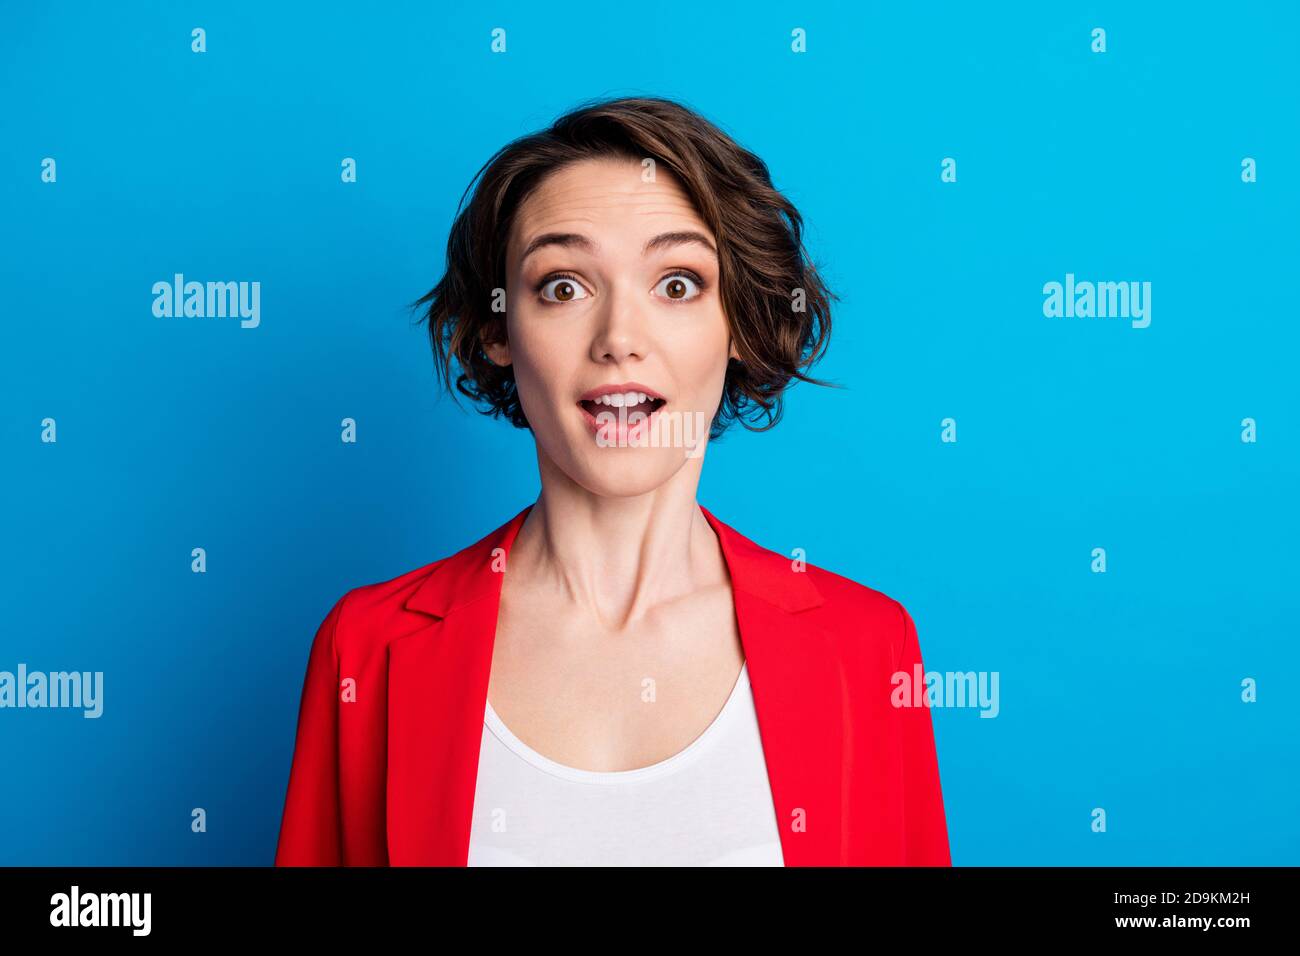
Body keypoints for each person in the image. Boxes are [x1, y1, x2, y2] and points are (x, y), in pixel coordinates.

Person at [274, 96, 951, 866]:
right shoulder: (366, 648)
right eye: (563, 286)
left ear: (740, 322)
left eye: (677, 284)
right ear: (498, 330)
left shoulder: (866, 647)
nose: (620, 340)